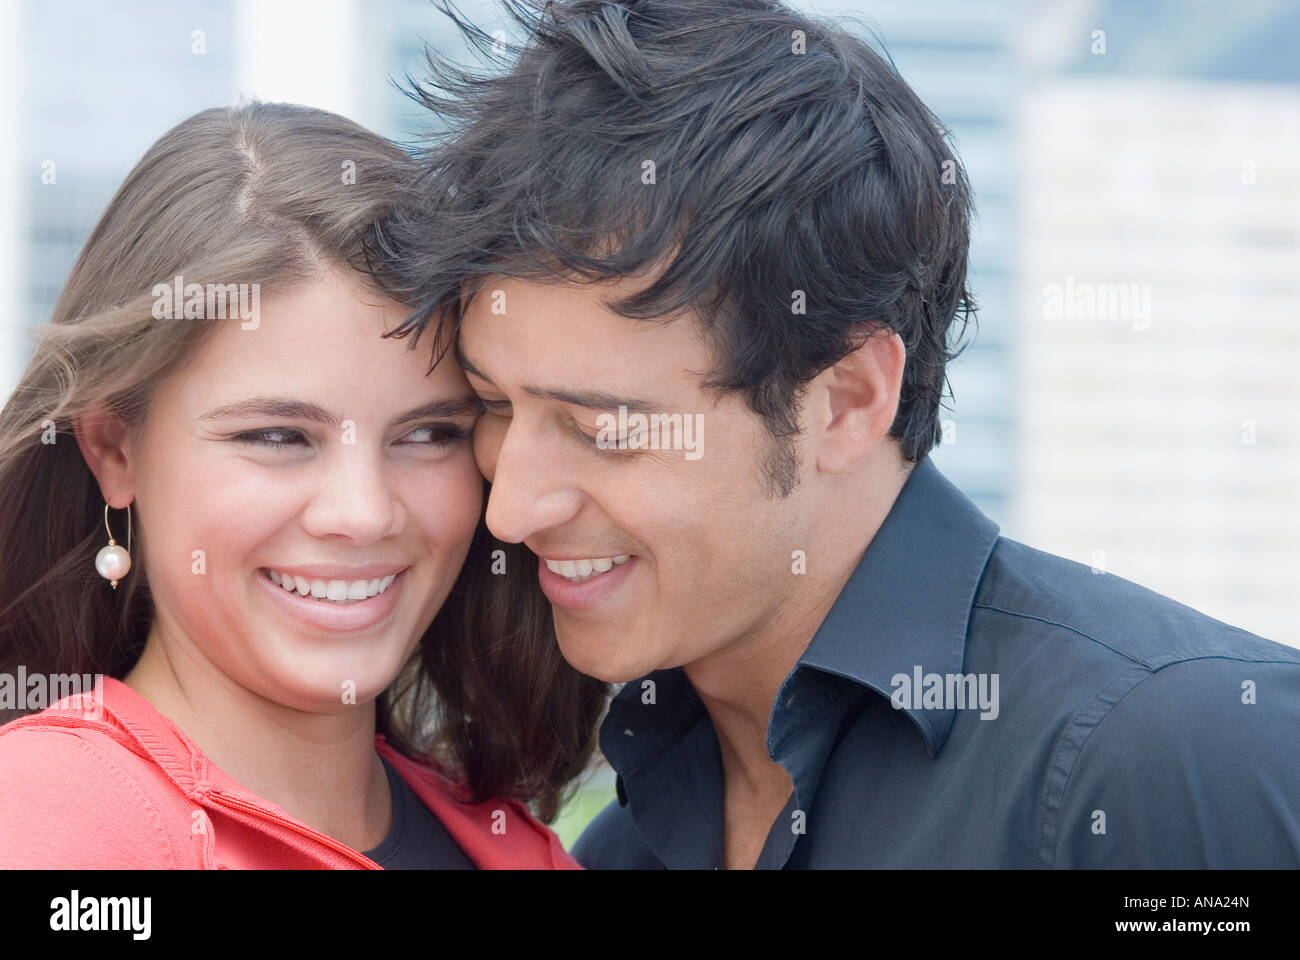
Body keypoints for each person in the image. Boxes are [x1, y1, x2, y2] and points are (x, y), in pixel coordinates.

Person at [367, 0, 1300, 868]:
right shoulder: (620, 848)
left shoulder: (1171, 753)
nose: (514, 508)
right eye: (494, 405)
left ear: (847, 401)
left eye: (602, 428)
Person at [0, 101, 604, 869]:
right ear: (114, 451)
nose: (362, 514)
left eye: (428, 434)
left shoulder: (518, 849)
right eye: (278, 437)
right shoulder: (48, 825)